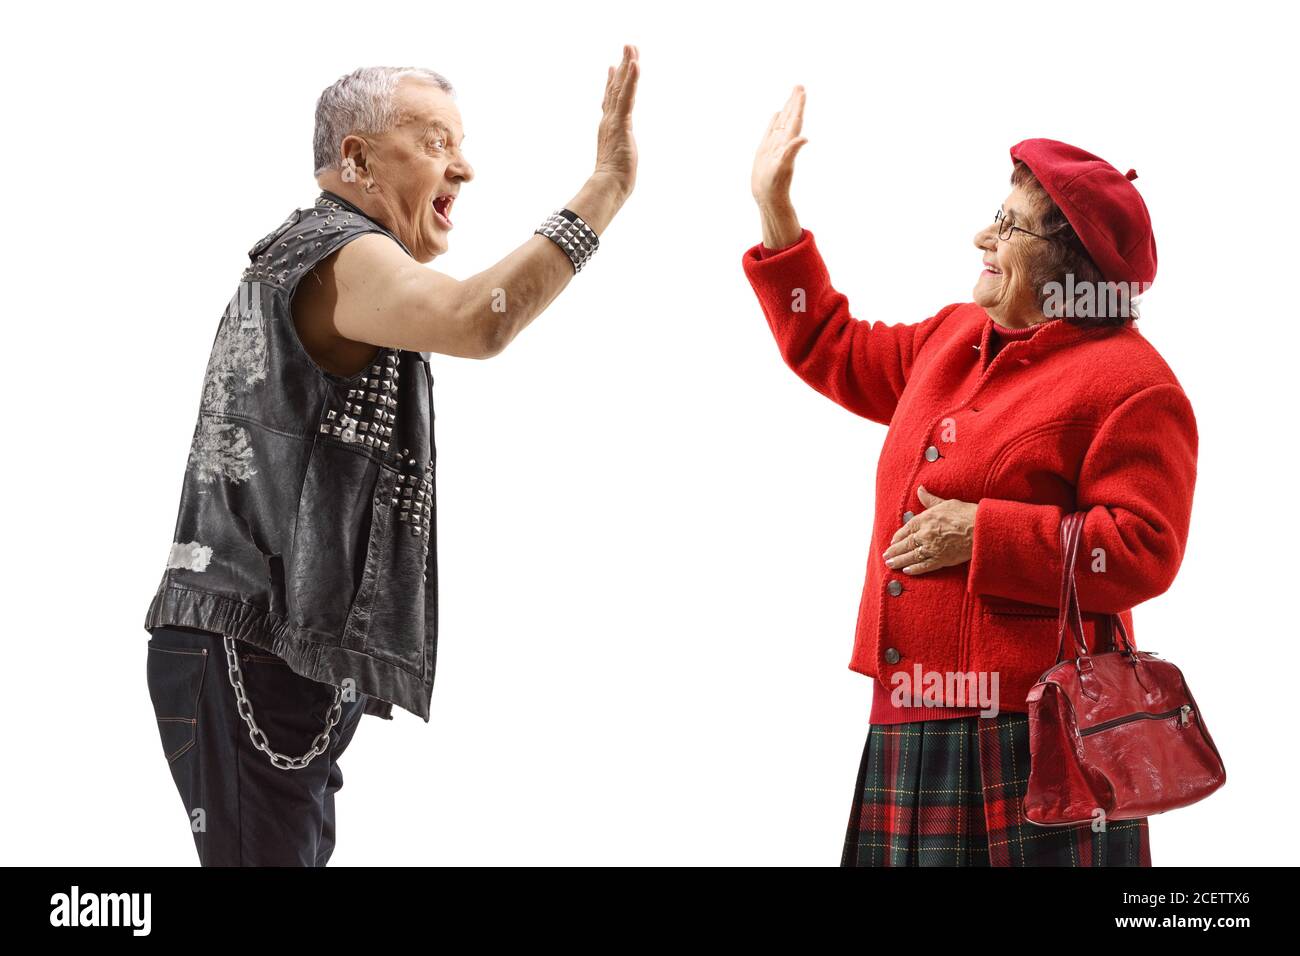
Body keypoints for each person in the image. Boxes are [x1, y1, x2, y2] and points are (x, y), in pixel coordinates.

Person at [143, 47, 640, 866]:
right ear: (358, 159)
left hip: (278, 656)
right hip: (251, 651)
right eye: (435, 141)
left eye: (460, 143)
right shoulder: (343, 250)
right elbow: (482, 318)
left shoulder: (337, 255)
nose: (465, 167)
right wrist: (606, 189)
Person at [743, 87, 1196, 866]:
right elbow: (830, 344)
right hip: (909, 717)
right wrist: (775, 210)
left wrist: (981, 532)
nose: (983, 234)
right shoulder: (956, 336)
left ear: (1070, 262)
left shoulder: (1134, 384)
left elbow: (1142, 550)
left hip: (1034, 737)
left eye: (1012, 225)